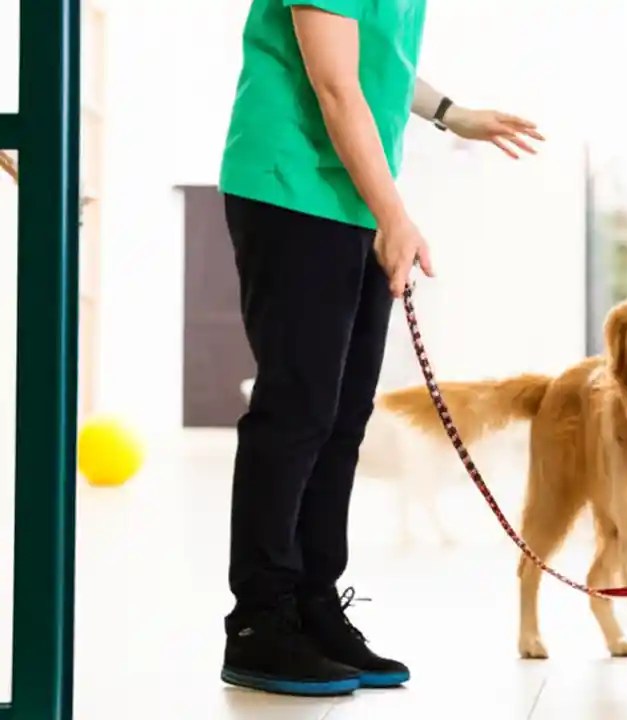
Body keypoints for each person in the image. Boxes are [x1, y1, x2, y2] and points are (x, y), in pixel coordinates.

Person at [217, 0, 542, 697]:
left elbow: (376, 59)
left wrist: (453, 113)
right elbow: (333, 83)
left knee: (341, 419)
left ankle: (313, 603)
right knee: (296, 410)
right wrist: (396, 215)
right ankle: (258, 622)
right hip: (292, 184)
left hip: (353, 195)